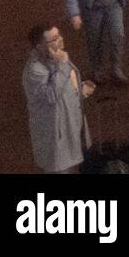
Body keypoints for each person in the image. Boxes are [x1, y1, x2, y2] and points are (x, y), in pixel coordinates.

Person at [23, 23, 94, 173]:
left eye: (59, 35)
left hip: (71, 131)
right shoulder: (35, 70)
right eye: (54, 38)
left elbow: (61, 86)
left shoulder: (55, 56)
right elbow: (51, 95)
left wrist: (80, 89)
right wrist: (63, 65)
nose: (61, 40)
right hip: (56, 140)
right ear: (40, 46)